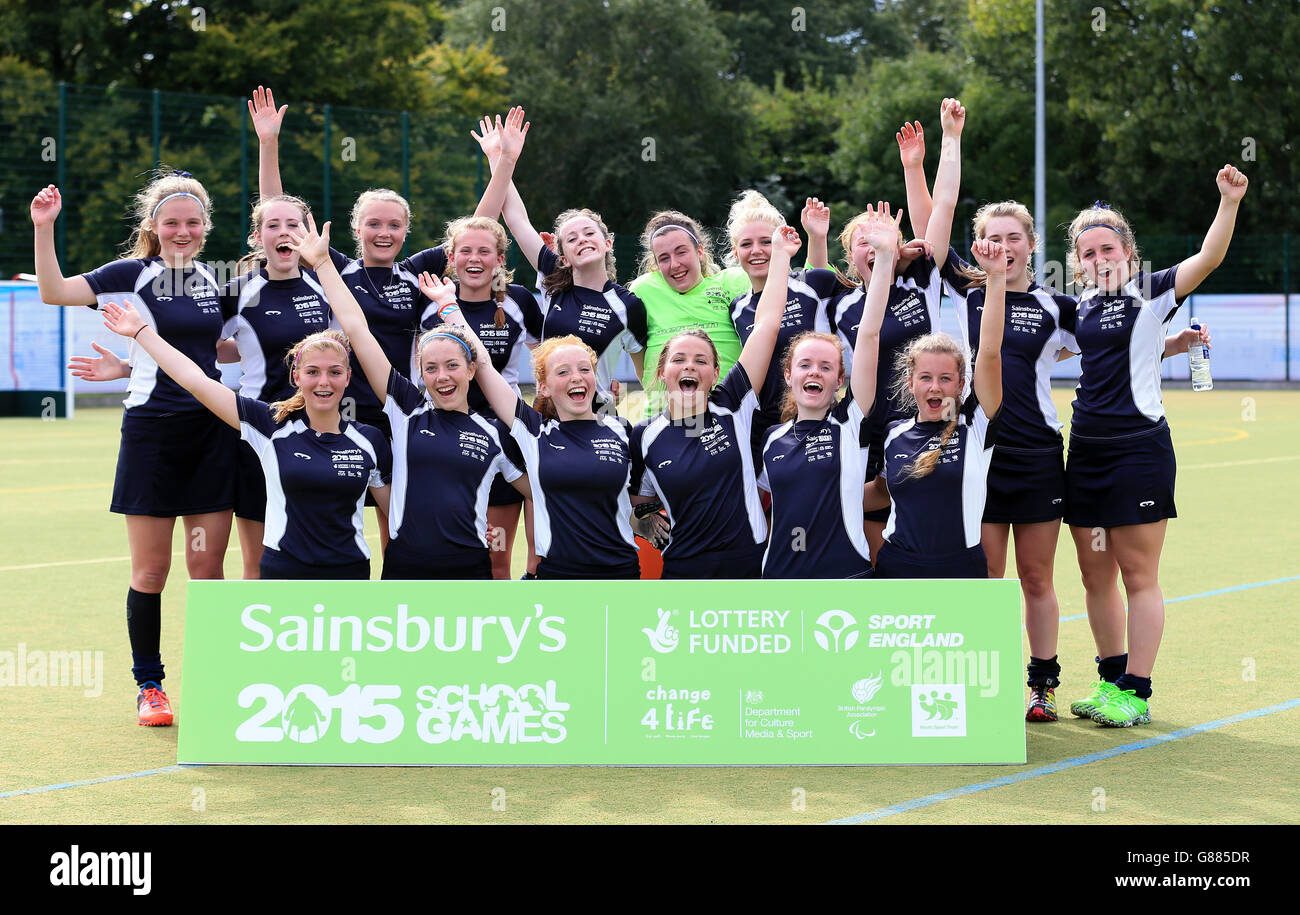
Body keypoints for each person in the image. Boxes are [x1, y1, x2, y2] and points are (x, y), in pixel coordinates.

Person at [32, 171, 235, 727]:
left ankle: (218, 680)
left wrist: (127, 364)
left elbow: (219, 348)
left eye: (193, 222)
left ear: (205, 227)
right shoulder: (130, 274)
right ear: (154, 226)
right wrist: (44, 228)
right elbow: (54, 292)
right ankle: (150, 687)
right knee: (151, 570)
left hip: (213, 432)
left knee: (207, 568)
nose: (183, 231)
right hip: (152, 435)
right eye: (172, 222)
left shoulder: (222, 281)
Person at [1061, 166, 1248, 728]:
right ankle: (1110, 679)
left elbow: (1207, 259)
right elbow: (1104, 357)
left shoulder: (1149, 291)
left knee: (1137, 574)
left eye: (1108, 249)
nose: (1099, 259)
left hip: (1138, 453)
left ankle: (1137, 691)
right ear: (1077, 262)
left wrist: (1228, 201)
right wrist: (1177, 346)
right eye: (1088, 253)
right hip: (1086, 451)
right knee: (1095, 576)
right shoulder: (1077, 310)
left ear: (1128, 253)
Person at [69, 192, 334, 581]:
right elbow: (202, 348)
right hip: (252, 431)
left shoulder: (329, 281)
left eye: (292, 224)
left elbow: (223, 348)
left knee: (322, 545)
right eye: (272, 226)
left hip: (315, 430)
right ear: (256, 237)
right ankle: (239, 641)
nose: (284, 232)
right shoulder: (235, 289)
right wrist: (131, 367)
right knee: (253, 563)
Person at [287, 215, 530, 579]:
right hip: (405, 572)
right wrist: (322, 263)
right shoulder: (406, 411)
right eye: (430, 368)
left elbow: (545, 489)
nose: (441, 376)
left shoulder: (495, 431)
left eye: (451, 366)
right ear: (419, 372)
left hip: (470, 571)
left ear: (470, 369)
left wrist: (449, 307)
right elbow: (356, 327)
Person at [100, 306, 391, 580]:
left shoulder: (370, 440)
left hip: (350, 575)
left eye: (335, 372)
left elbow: (397, 517)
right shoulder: (269, 424)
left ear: (348, 377)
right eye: (313, 372)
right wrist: (141, 331)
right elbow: (195, 381)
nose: (323, 382)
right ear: (296, 376)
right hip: (283, 574)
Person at [819, 98, 966, 561]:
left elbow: (941, 209)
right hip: (868, 433)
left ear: (900, 244)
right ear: (850, 252)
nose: (873, 241)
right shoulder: (840, 306)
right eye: (862, 238)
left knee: (926, 537)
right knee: (869, 543)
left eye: (882, 234)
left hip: (925, 427)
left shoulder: (920, 281)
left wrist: (935, 151)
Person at [628, 223, 795, 578]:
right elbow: (634, 498)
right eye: (679, 360)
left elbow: (767, 324)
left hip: (748, 570)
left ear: (715, 374)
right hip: (682, 573)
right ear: (661, 372)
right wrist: (640, 520)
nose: (690, 365)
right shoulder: (643, 436)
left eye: (701, 360)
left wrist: (780, 256)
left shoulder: (733, 404)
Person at [758, 205, 904, 579]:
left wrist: (886, 257)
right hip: (780, 581)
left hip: (848, 580)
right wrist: (778, 257)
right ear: (788, 375)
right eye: (805, 365)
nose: (816, 373)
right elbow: (767, 325)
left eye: (826, 367)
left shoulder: (850, 424)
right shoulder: (770, 439)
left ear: (841, 380)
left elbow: (869, 335)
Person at [870, 235, 1009, 580]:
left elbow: (989, 353)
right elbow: (879, 492)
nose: (935, 387)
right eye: (926, 377)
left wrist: (995, 278)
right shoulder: (893, 434)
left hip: (961, 570)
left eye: (946, 379)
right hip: (898, 569)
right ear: (911, 382)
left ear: (961, 385)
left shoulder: (976, 425)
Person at [726, 192, 841, 469]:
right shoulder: (737, 308)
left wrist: (817, 238)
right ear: (735, 251)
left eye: (766, 242)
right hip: (763, 426)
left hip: (814, 418)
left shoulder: (810, 285)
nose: (757, 250)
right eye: (746, 244)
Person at [630, 212, 752, 413]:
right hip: (663, 419)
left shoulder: (733, 283)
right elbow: (637, 353)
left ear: (700, 251)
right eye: (664, 258)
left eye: (681, 252)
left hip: (726, 418)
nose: (675, 264)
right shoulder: (643, 291)